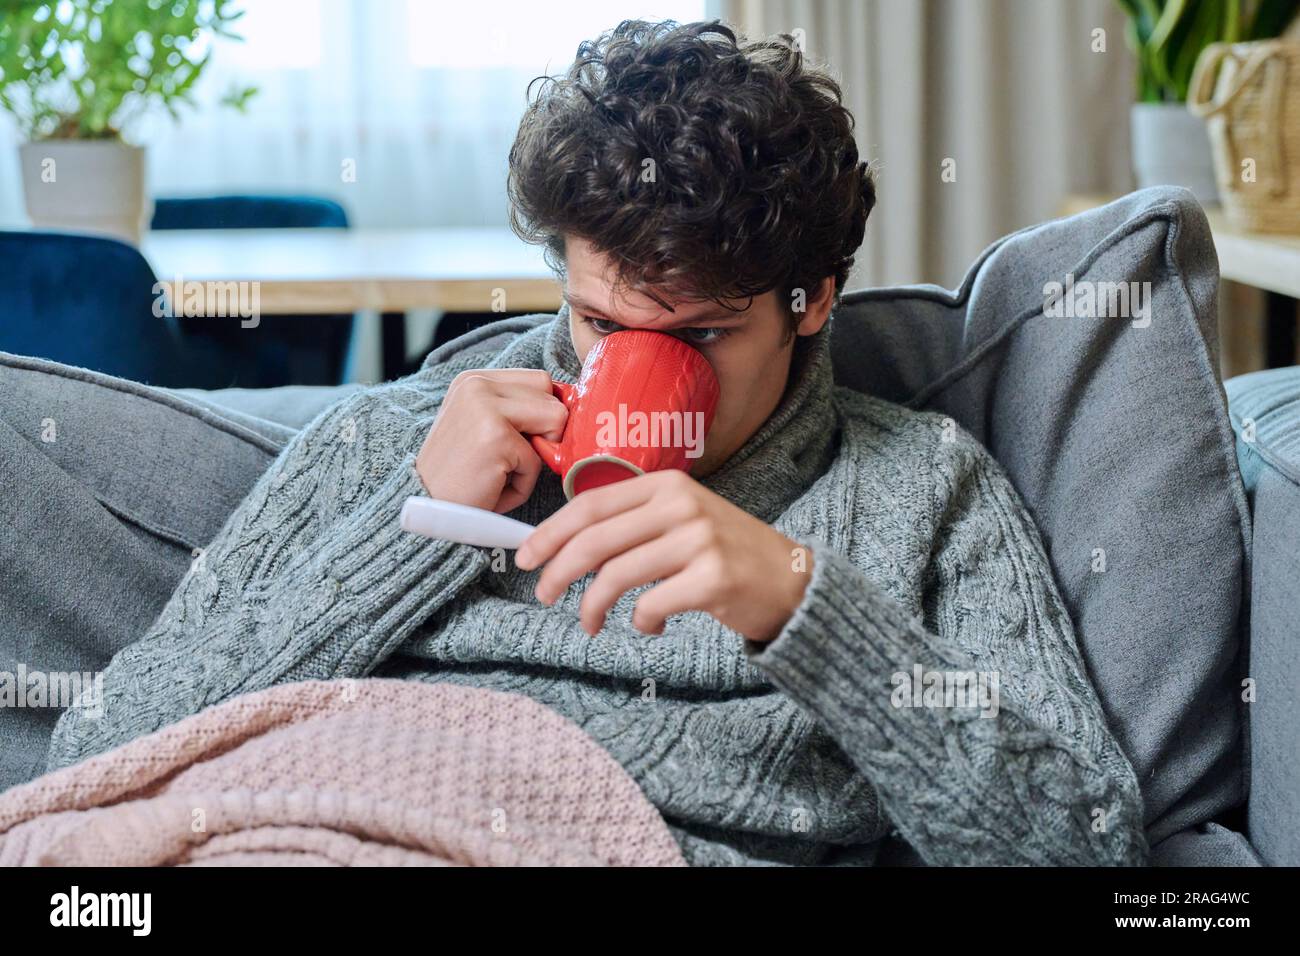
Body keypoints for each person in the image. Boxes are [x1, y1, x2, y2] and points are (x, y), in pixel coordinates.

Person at [7, 19, 1146, 865]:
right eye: (599, 322)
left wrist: (803, 605)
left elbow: (1083, 845)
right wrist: (418, 528)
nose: (627, 364)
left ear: (813, 300)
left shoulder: (920, 490)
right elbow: (106, 752)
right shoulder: (399, 438)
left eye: (698, 333)